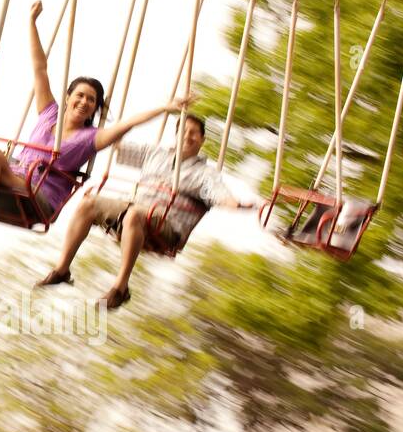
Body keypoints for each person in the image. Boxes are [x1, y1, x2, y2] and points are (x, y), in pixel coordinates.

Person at [0, 0, 190, 247]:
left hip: (39, 195)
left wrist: (165, 107)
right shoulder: (49, 113)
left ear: (96, 108)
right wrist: (32, 23)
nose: (84, 102)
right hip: (14, 175)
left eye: (91, 100)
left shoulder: (91, 137)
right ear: (68, 97)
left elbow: (128, 123)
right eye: (80, 95)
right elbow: (39, 70)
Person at [36, 112, 257, 309]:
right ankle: (62, 269)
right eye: (183, 131)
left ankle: (120, 287)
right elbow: (117, 146)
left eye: (193, 133)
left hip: (166, 225)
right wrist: (99, 122)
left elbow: (219, 194)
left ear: (202, 140)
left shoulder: (205, 173)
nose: (187, 137)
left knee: (136, 214)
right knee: (88, 204)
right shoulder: (156, 154)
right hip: (134, 211)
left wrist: (237, 204)